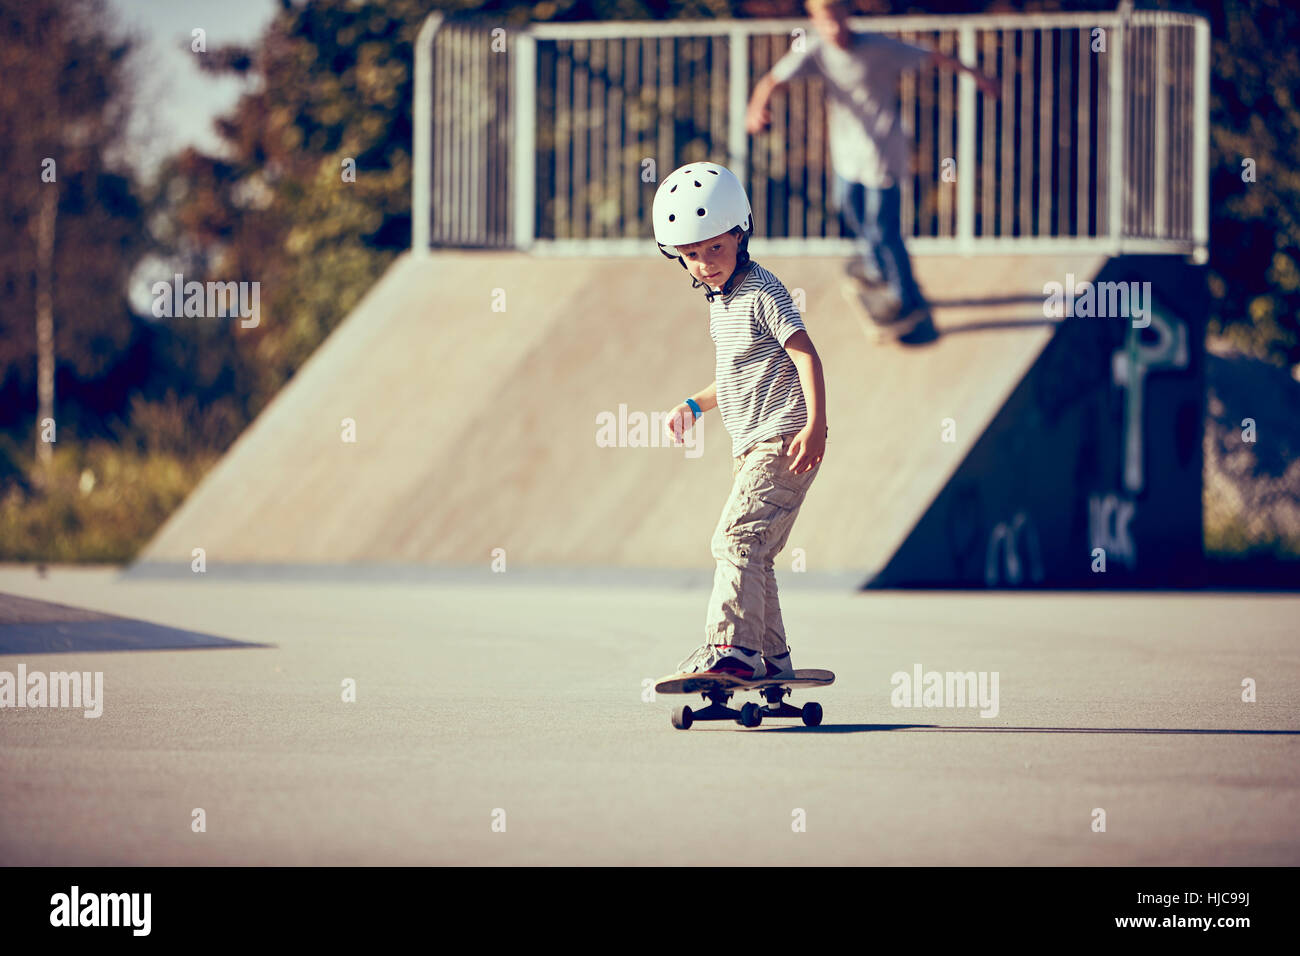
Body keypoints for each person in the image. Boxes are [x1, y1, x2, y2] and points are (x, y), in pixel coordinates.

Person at [653, 161, 828, 680]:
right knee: (758, 550)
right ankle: (772, 657)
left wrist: (815, 425)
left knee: (733, 539)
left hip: (784, 440)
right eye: (691, 255)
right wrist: (693, 405)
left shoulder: (761, 291)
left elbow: (806, 356)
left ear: (739, 234)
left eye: (716, 248)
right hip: (752, 446)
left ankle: (731, 649)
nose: (705, 264)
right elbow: (732, 377)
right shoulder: (720, 304)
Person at [746, 0, 999, 336]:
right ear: (815, 21)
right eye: (826, 21)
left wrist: (978, 76)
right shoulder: (813, 48)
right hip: (847, 155)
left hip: (884, 154)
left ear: (847, 16)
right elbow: (772, 81)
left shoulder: (879, 47)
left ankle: (905, 294)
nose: (834, 29)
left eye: (838, 19)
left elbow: (934, 57)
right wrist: (757, 109)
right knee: (847, 208)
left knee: (883, 226)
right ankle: (878, 268)